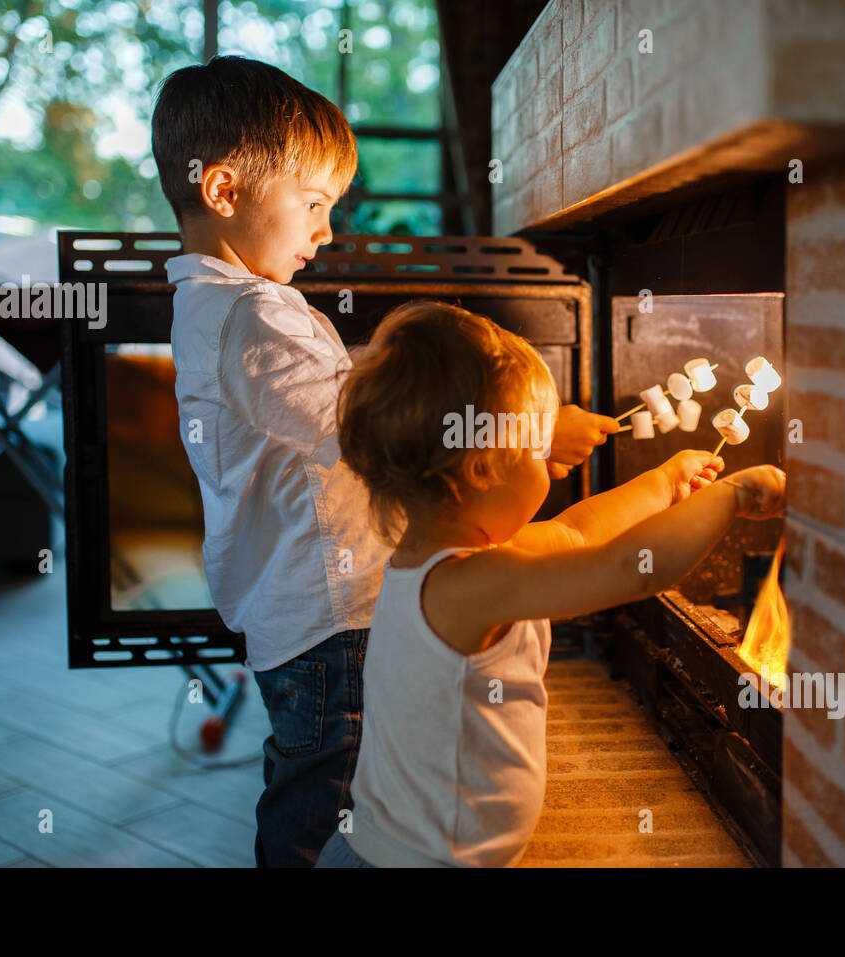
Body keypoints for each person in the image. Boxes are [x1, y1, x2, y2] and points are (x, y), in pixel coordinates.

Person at [150, 56, 618, 867]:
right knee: (330, 796)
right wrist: (523, 437)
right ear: (224, 191)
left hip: (301, 616)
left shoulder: (222, 308)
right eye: (314, 204)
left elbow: (338, 392)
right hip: (331, 619)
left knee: (309, 777)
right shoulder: (251, 316)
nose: (326, 230)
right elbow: (363, 423)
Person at [317, 300, 787, 867]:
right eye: (540, 452)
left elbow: (574, 532)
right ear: (482, 469)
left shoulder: (447, 558)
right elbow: (630, 568)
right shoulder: (469, 585)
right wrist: (730, 498)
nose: (552, 466)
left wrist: (664, 484)